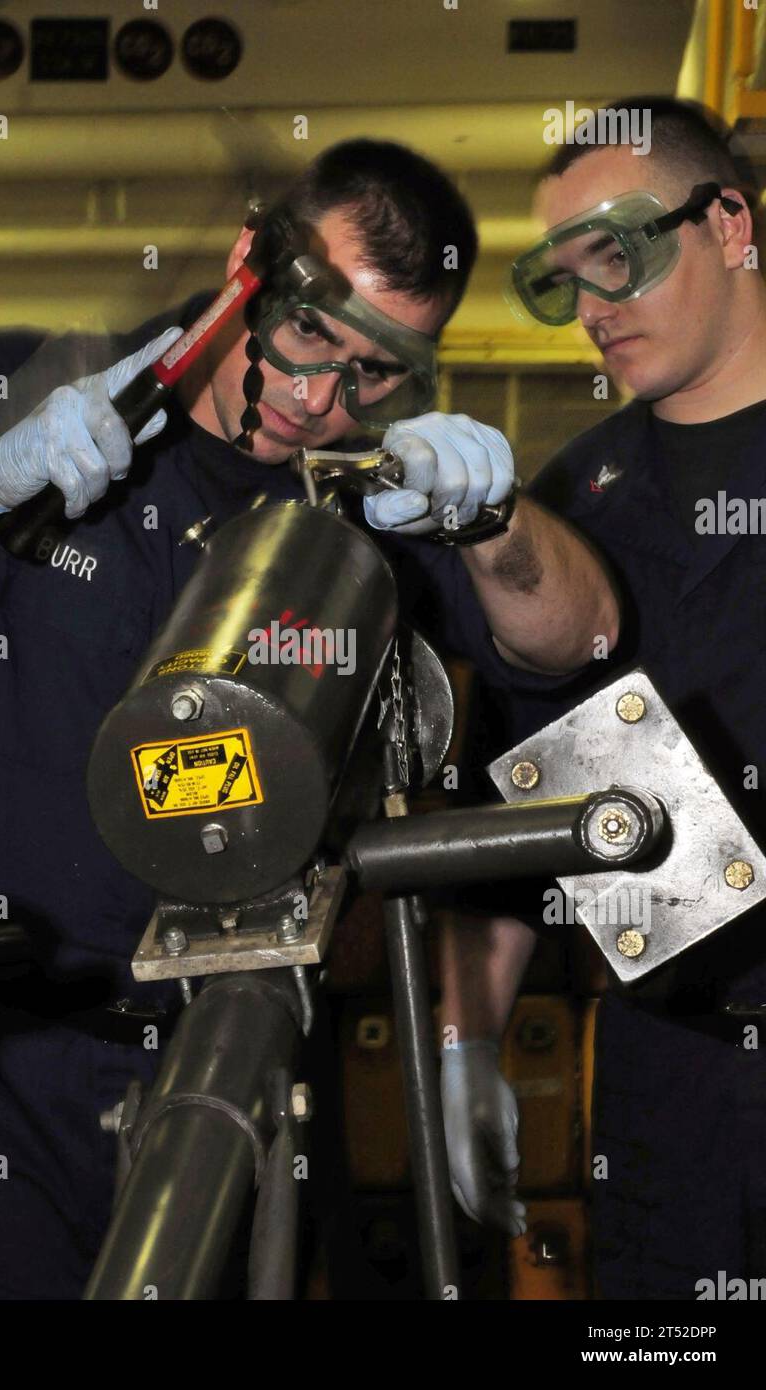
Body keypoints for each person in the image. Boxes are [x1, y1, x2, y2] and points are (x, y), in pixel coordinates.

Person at [0, 138, 617, 1299]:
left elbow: (583, 637)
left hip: (230, 1069)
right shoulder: (20, 384)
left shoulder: (370, 507)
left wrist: (494, 520)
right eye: (310, 333)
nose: (319, 399)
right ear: (252, 259)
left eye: (374, 372)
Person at [439, 97, 766, 1300]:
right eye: (558, 280)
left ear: (729, 224)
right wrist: (464, 1045)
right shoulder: (569, 506)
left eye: (618, 254)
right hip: (666, 1072)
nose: (592, 308)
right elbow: (518, 825)